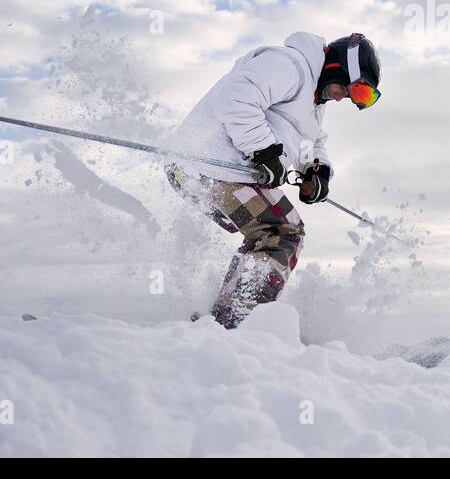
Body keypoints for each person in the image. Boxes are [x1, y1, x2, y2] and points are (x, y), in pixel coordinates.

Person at [163, 31, 381, 327]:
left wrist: (316, 171)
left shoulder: (314, 104)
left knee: (266, 235)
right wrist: (263, 150)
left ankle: (224, 318)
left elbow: (312, 142)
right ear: (340, 66)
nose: (349, 99)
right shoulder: (290, 65)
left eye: (363, 98)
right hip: (207, 164)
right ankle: (234, 322)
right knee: (282, 232)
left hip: (210, 171)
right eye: (357, 91)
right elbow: (236, 96)